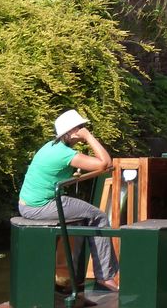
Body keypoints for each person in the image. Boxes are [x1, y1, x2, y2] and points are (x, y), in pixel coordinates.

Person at [18, 110, 119, 290]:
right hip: (40, 206)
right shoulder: (63, 154)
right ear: (72, 131)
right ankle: (106, 276)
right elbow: (105, 162)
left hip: (28, 204)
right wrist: (88, 136)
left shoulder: (51, 146)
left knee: (82, 217)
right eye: (80, 127)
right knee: (99, 216)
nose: (84, 129)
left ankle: (69, 279)